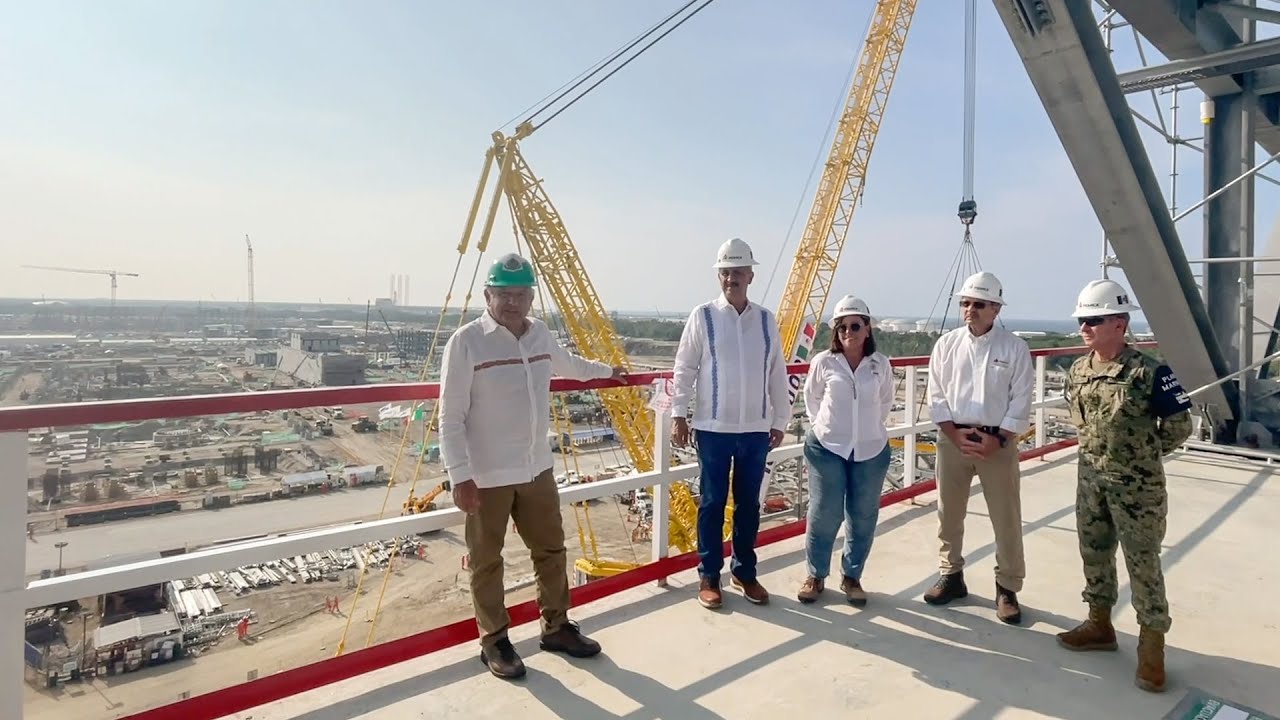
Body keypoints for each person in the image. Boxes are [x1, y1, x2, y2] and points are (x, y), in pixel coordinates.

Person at [439, 252, 625, 680]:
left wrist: (609, 371)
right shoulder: (466, 342)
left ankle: (556, 627)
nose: (511, 303)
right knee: (487, 560)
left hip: (536, 467)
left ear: (531, 298)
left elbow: (571, 366)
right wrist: (459, 475)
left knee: (551, 550)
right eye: (503, 294)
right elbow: (450, 416)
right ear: (487, 295)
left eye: (520, 294)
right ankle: (495, 640)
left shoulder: (539, 334)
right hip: (487, 475)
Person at [1056, 278, 1191, 693]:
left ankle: (1152, 648)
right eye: (1082, 320)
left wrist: (1140, 459)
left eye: (1093, 320)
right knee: (1094, 554)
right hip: (1091, 483)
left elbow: (1179, 427)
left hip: (1138, 490)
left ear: (1119, 322)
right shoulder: (1079, 370)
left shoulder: (1152, 372)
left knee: (1143, 565)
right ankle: (1100, 625)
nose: (1085, 328)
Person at [670, 237, 791, 610]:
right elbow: (685, 366)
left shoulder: (766, 320)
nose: (731, 278)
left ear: (750, 275)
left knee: (749, 505)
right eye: (725, 272)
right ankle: (709, 575)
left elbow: (776, 372)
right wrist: (678, 413)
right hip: (712, 428)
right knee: (711, 502)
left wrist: (781, 419)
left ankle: (745, 571)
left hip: (755, 429)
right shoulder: (703, 316)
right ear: (718, 276)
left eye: (738, 271)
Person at [924, 270, 1034, 624]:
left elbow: (1021, 400)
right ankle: (951, 575)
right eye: (966, 303)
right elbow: (937, 395)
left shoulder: (1014, 348)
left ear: (996, 309)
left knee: (1005, 519)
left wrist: (998, 439)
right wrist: (954, 435)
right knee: (948, 514)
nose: (970, 309)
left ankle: (1007, 588)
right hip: (952, 440)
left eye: (979, 304)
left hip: (997, 443)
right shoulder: (946, 345)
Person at [797, 295, 894, 606]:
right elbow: (812, 400)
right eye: (842, 327)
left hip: (870, 450)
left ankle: (852, 576)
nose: (848, 332)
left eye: (855, 325)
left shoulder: (880, 365)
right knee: (824, 512)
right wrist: (824, 427)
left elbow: (885, 402)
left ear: (868, 329)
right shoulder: (823, 362)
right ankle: (816, 575)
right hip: (827, 447)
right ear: (835, 332)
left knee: (863, 515)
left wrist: (865, 430)